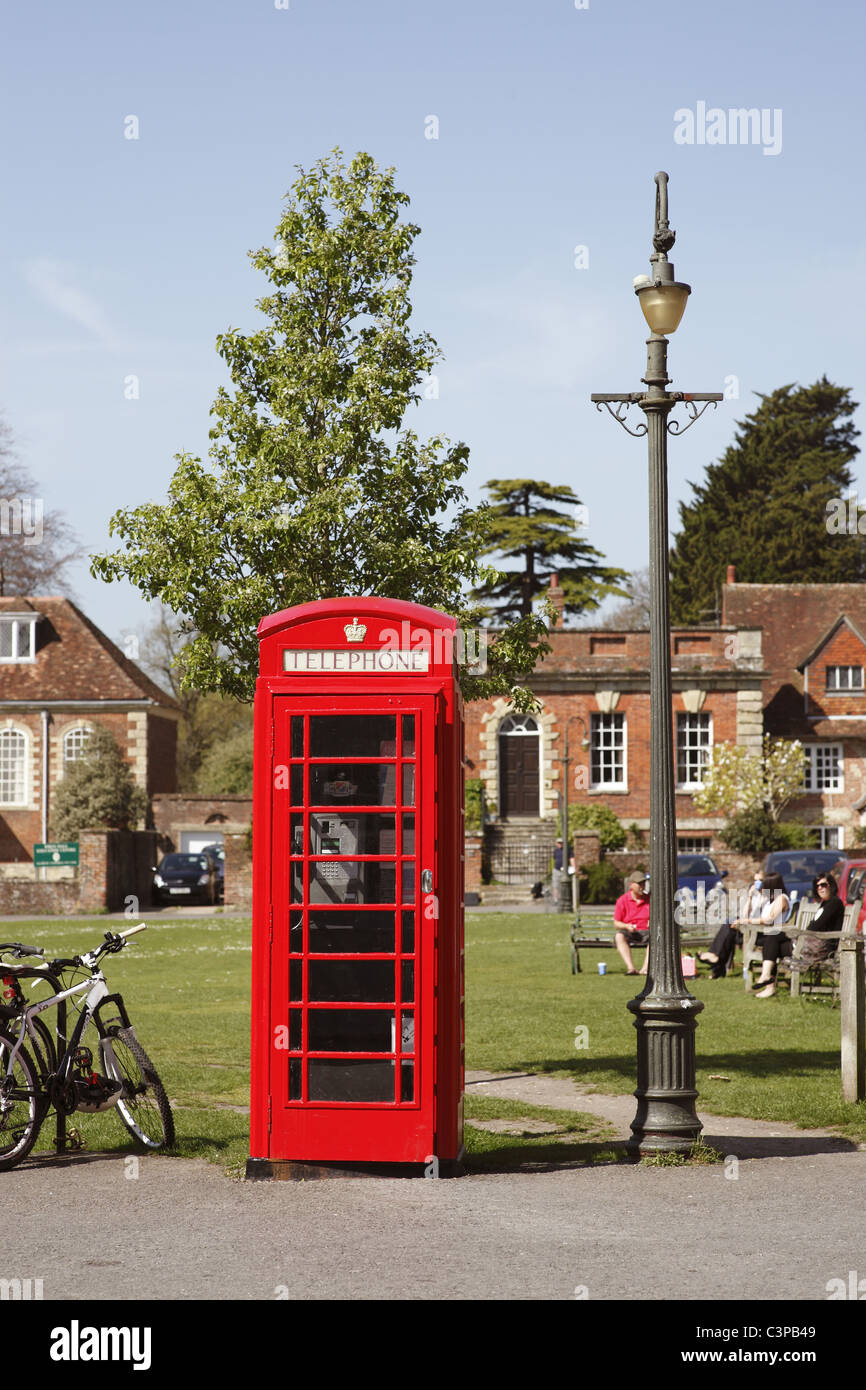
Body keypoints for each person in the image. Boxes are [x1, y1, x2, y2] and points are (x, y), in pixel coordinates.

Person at [753, 871, 843, 997]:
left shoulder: (835, 903)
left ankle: (768, 982)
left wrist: (798, 934)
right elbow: (814, 927)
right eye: (817, 886)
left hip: (820, 948)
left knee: (773, 939)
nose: (820, 889)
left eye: (823, 885)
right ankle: (767, 980)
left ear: (831, 885)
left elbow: (816, 927)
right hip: (811, 943)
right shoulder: (825, 903)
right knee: (772, 941)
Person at [699, 872, 764, 979]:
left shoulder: (768, 897)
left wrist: (744, 920)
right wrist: (750, 897)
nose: (757, 884)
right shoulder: (756, 896)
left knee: (729, 928)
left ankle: (716, 960)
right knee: (729, 926)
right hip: (751, 928)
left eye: (760, 881)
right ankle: (717, 963)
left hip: (760, 933)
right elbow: (745, 913)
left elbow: (763, 918)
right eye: (755, 881)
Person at [613, 871, 650, 975]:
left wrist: (653, 922)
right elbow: (616, 923)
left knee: (656, 938)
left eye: (643, 883)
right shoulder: (623, 900)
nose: (642, 886)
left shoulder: (650, 899)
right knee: (619, 936)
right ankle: (631, 968)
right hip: (630, 931)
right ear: (631, 885)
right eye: (639, 884)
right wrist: (626, 926)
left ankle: (645, 969)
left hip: (647, 931)